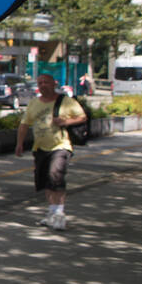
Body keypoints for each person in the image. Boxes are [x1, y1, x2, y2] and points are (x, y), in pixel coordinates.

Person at [15, 72, 88, 230]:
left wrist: (66, 121)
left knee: (56, 175)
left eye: (46, 82)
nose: (42, 86)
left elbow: (82, 117)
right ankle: (52, 213)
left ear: (54, 84)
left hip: (61, 145)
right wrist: (19, 144)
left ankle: (59, 215)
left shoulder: (66, 101)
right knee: (46, 181)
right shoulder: (34, 103)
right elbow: (24, 124)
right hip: (40, 147)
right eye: (40, 83)